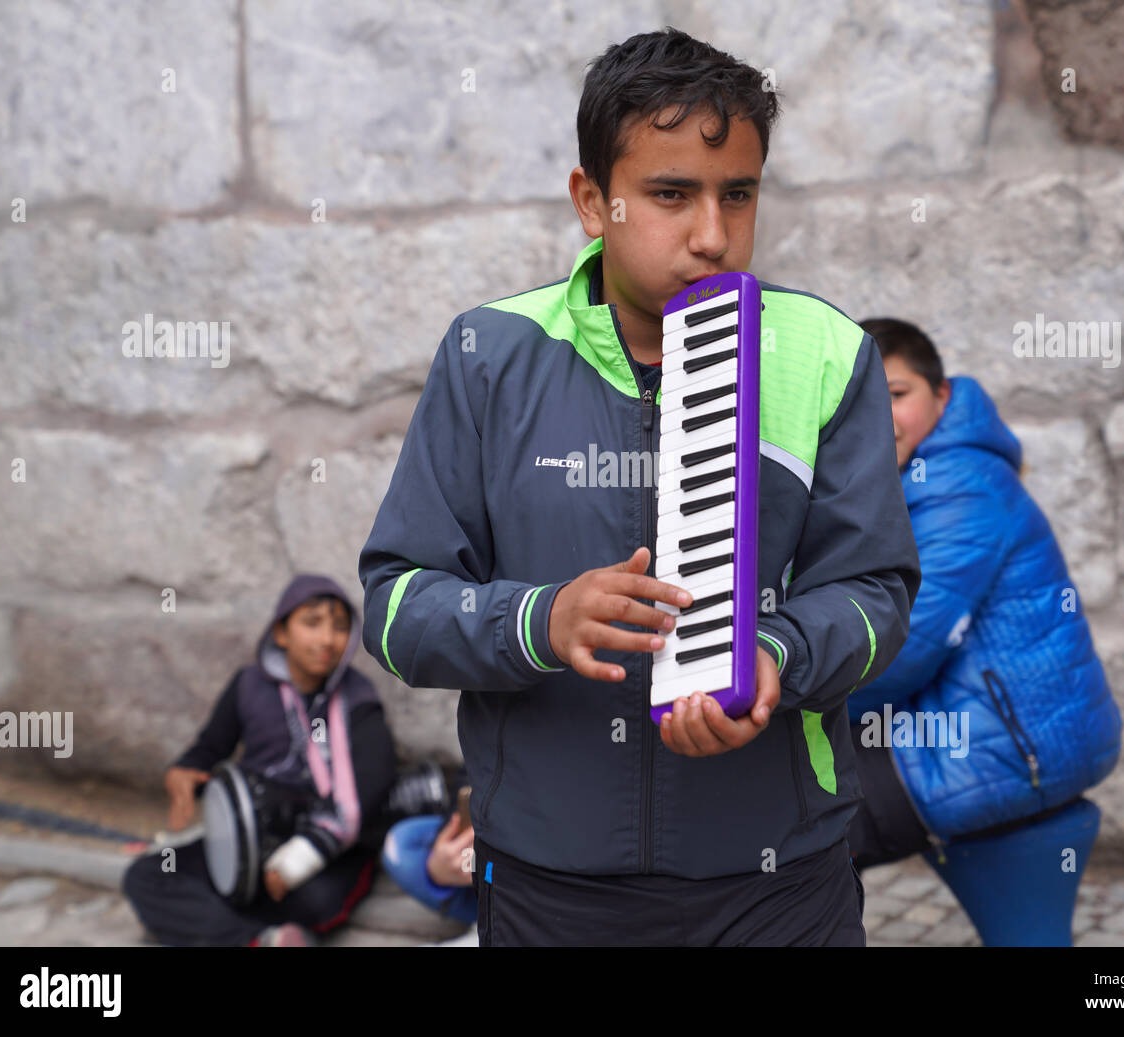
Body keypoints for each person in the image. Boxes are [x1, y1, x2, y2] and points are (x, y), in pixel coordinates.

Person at [358, 27, 920, 947]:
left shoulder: (825, 353)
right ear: (594, 201)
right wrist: (539, 622)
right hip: (549, 882)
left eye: (737, 195)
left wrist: (778, 655)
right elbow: (395, 606)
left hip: (778, 881)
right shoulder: (487, 355)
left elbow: (878, 594)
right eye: (670, 195)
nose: (711, 234)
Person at [844, 317, 1122, 868]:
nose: (881, 416)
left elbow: (902, 650)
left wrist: (783, 698)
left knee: (792, 826)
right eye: (864, 399)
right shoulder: (916, 472)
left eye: (897, 394)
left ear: (942, 395)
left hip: (1013, 748)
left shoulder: (962, 487)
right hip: (971, 726)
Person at [122, 574, 398, 946]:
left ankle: (221, 927)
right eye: (312, 623)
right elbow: (209, 748)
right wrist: (185, 773)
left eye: (339, 627)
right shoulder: (249, 685)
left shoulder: (359, 700)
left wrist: (303, 856)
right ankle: (258, 941)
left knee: (314, 900)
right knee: (148, 876)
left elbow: (370, 787)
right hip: (252, 836)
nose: (327, 639)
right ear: (281, 632)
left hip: (327, 840)